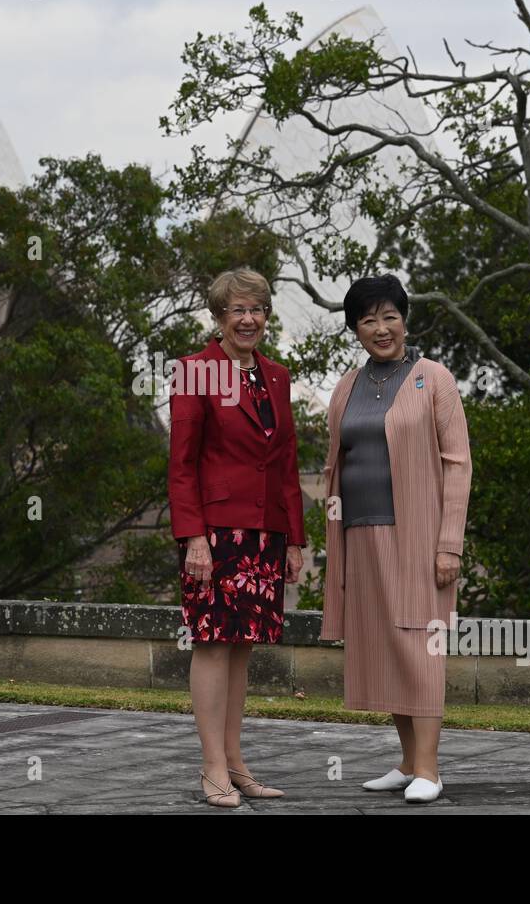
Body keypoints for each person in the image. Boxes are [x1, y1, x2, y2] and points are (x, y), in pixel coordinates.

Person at [319, 274, 472, 803]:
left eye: (390, 316)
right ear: (355, 329)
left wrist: (449, 542)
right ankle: (408, 763)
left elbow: (458, 465)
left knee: (418, 645)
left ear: (405, 319)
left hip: (418, 537)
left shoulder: (434, 378)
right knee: (386, 645)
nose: (381, 328)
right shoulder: (347, 386)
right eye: (367, 319)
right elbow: (338, 463)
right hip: (359, 535)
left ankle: (430, 768)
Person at [167, 268, 305, 808]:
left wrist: (294, 537)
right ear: (219, 317)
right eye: (237, 311)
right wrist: (193, 538)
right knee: (212, 643)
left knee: (243, 647)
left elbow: (288, 462)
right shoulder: (195, 373)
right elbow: (182, 466)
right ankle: (212, 769)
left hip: (265, 532)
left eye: (258, 310)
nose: (248, 319)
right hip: (216, 534)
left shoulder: (277, 375)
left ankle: (236, 763)